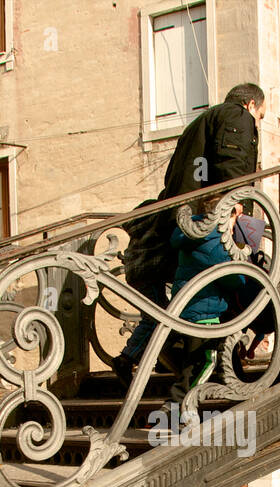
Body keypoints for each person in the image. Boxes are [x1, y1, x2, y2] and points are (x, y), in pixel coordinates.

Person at [114, 83, 266, 385]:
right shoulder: (237, 116)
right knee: (232, 295)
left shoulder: (200, 123)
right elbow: (232, 161)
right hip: (211, 223)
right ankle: (192, 401)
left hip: (187, 220)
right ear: (251, 105)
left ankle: (191, 377)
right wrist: (234, 205)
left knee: (178, 310)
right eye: (260, 116)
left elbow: (178, 175)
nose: (257, 122)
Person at [162, 199, 248, 414]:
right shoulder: (214, 243)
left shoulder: (190, 235)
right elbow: (234, 279)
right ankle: (175, 405)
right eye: (236, 214)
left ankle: (237, 385)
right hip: (205, 313)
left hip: (185, 309)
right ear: (222, 216)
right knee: (206, 361)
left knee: (200, 356)